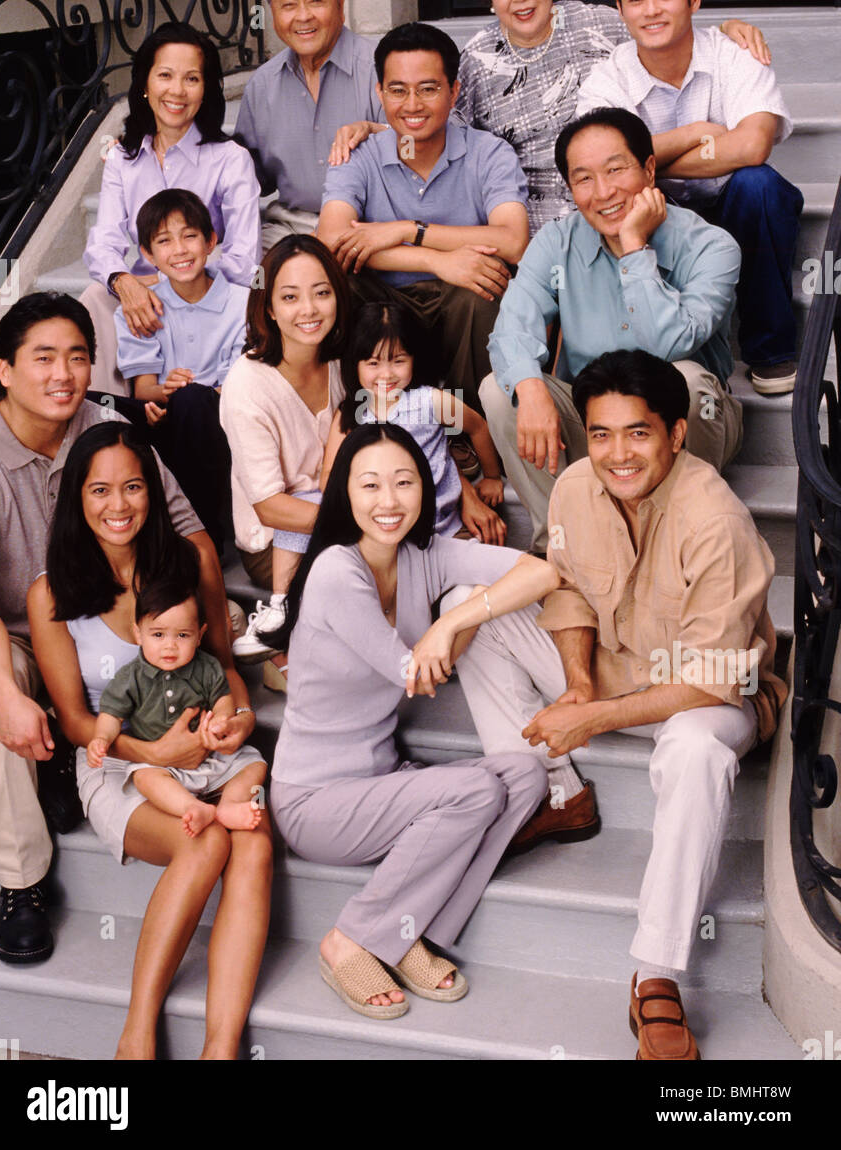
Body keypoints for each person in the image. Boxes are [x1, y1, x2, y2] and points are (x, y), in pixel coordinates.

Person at [408, 349, 787, 1060]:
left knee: (697, 751)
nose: (618, 453)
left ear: (676, 434)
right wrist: (577, 680)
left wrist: (591, 717)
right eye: (603, 433)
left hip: (702, 695)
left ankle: (657, 973)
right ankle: (550, 791)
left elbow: (711, 680)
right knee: (470, 608)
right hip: (613, 668)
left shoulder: (718, 521)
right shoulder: (579, 484)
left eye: (638, 434)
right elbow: (570, 587)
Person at [0, 291, 241, 969]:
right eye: (44, 358)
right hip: (10, 625)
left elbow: (183, 530)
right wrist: (9, 694)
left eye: (77, 357)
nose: (64, 374)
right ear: (4, 369)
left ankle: (72, 753)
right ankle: (24, 880)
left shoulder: (107, 429)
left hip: (113, 619)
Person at [265, 422, 547, 1018]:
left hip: (380, 780)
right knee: (473, 788)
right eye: (370, 485)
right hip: (315, 800)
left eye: (403, 482)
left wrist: (453, 618)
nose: (388, 501)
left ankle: (415, 934)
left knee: (524, 775)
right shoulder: (336, 572)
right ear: (346, 493)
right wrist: (455, 622)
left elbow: (542, 570)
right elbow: (413, 675)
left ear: (426, 488)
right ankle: (352, 937)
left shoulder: (428, 554)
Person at [27, 424, 271, 1060]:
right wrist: (156, 753)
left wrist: (236, 723)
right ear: (76, 498)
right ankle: (137, 1036)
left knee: (253, 838)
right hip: (119, 765)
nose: (119, 505)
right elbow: (78, 723)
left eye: (133, 486)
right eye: (100, 489)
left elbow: (228, 673)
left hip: (209, 757)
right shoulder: (51, 593)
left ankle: (221, 1047)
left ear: (154, 490)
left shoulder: (191, 562)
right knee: (207, 836)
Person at [480, 108, 743, 552]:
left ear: (650, 169)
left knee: (691, 380)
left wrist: (634, 247)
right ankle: (562, 543)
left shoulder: (712, 246)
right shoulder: (556, 242)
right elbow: (511, 326)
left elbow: (669, 344)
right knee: (500, 389)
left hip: (680, 425)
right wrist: (530, 386)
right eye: (583, 179)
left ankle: (675, 533)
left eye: (616, 170)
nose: (603, 193)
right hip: (593, 424)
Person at [576, 0, 801, 395]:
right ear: (620, 10)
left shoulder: (734, 52)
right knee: (618, 203)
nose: (651, 10)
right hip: (656, 216)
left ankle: (771, 349)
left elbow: (753, 146)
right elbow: (604, 168)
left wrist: (649, 163)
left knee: (759, 186)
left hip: (733, 208)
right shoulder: (607, 79)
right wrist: (694, 132)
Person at [458, 0, 771, 236]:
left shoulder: (596, 24)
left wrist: (726, 29)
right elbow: (456, 149)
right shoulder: (477, 59)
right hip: (534, 221)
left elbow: (663, 29)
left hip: (620, 199)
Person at [317, 20, 530, 411]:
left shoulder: (488, 153)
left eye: (428, 89)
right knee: (334, 281)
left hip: (457, 309)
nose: (412, 105)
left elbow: (513, 242)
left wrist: (405, 230)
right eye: (397, 90)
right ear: (379, 91)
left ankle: (467, 428)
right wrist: (437, 260)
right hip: (383, 304)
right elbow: (330, 242)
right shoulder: (358, 154)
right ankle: (358, 421)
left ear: (454, 92)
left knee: (483, 286)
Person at [82, 21, 261, 392]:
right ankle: (108, 417)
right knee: (96, 297)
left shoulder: (230, 158)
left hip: (205, 288)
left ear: (207, 88)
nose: (177, 91)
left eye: (192, 79)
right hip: (139, 295)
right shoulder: (122, 159)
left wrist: (163, 282)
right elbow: (103, 243)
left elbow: (243, 261)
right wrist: (123, 282)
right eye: (165, 75)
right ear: (145, 84)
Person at [220, 235, 350, 671]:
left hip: (342, 509)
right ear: (270, 308)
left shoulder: (341, 360)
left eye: (321, 293)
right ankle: (292, 656)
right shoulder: (247, 385)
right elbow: (271, 508)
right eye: (290, 297)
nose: (309, 310)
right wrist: (360, 523)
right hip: (276, 542)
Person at [113, 187, 247, 548]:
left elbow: (239, 389)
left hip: (221, 425)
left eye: (190, 236)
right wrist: (163, 396)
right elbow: (143, 390)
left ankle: (202, 539)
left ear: (211, 241)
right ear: (148, 254)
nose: (180, 250)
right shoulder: (141, 308)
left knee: (192, 401)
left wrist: (184, 395)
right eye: (164, 241)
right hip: (163, 419)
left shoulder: (244, 304)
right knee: (95, 404)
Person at [87, 577, 266, 838]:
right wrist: (101, 738)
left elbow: (223, 698)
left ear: (199, 635)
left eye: (182, 635)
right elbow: (111, 714)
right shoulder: (130, 677)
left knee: (255, 763)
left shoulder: (206, 667)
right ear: (138, 633)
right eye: (158, 634)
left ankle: (228, 805)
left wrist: (223, 719)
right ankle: (193, 807)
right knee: (143, 777)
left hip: (211, 755)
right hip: (164, 767)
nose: (170, 645)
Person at [320, 299, 506, 545]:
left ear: (414, 359)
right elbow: (328, 475)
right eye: (373, 363)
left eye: (398, 361)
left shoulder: (431, 401)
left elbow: (478, 426)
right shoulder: (353, 413)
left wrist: (492, 477)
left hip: (444, 524)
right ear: (355, 364)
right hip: (384, 524)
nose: (386, 374)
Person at [234, 0, 386, 249]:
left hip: (371, 226)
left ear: (341, 6)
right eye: (288, 5)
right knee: (244, 282)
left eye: (316, 1)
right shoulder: (262, 86)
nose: (303, 16)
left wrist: (374, 129)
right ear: (273, 13)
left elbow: (436, 142)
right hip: (291, 229)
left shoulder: (381, 68)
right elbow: (249, 178)